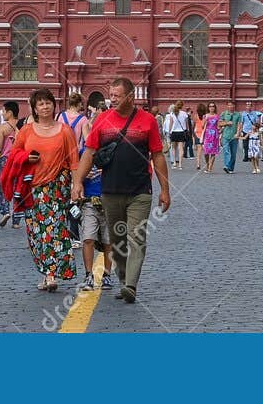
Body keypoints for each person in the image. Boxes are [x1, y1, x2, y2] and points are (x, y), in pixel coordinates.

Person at [72, 76, 169, 305]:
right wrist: (78, 182)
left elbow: (157, 155)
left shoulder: (148, 121)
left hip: (140, 192)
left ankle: (131, 285)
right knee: (117, 241)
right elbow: (89, 152)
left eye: (116, 95)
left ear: (130, 97)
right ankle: (124, 279)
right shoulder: (102, 120)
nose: (111, 99)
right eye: (110, 95)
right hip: (110, 191)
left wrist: (165, 189)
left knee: (136, 237)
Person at [18, 88, 79, 292]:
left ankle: (52, 274)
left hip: (56, 186)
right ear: (34, 109)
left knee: (54, 229)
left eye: (48, 103)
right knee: (35, 232)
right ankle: (46, 272)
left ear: (54, 105)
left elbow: (74, 161)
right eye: (41, 104)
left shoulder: (65, 131)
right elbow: (14, 155)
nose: (45, 107)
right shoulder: (26, 131)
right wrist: (26, 158)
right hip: (32, 187)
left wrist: (76, 185)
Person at [198, 104, 220, 174]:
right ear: (208, 108)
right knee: (206, 152)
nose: (212, 108)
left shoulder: (217, 116)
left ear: (215, 108)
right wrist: (206, 118)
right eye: (210, 106)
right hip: (207, 135)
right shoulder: (205, 116)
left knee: (213, 152)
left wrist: (221, 129)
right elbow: (202, 126)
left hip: (214, 135)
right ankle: (207, 165)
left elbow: (218, 126)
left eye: (213, 106)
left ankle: (210, 167)